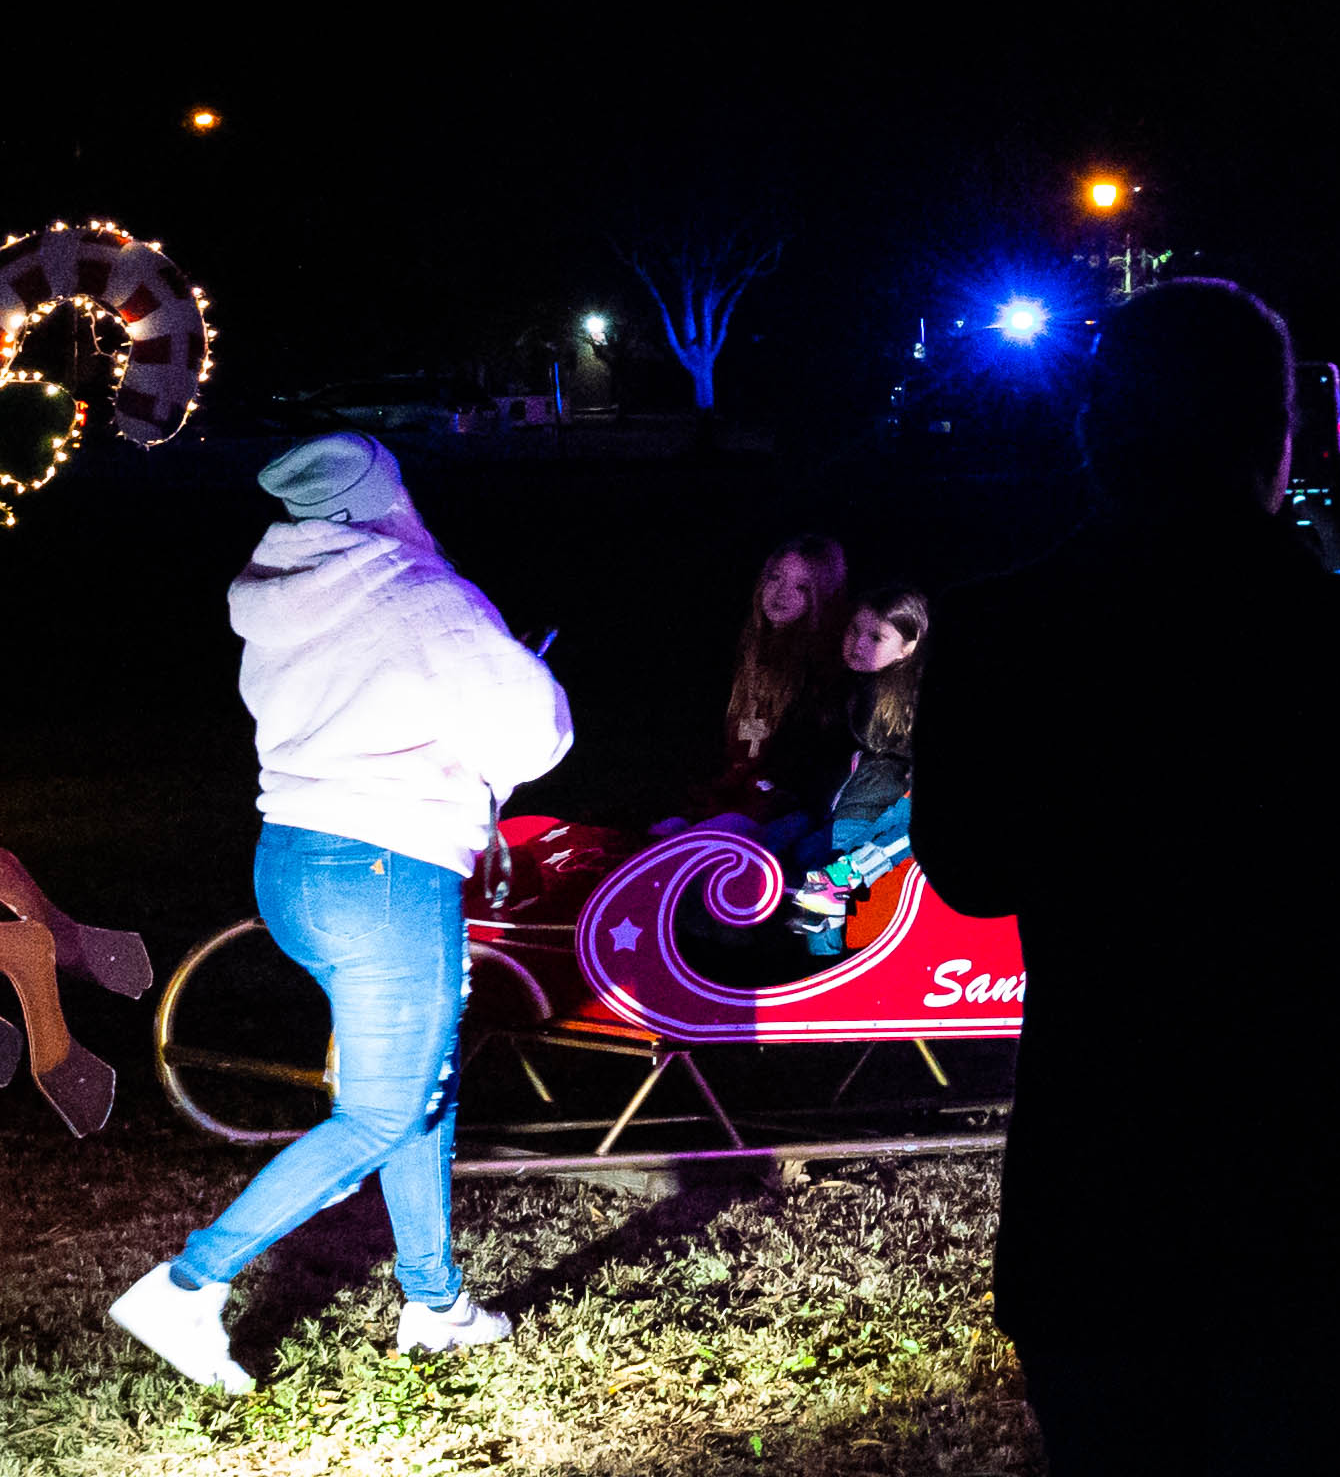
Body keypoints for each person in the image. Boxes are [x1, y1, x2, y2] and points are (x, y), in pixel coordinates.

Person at [913, 280, 1340, 1477]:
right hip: (1336, 1203)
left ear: (1096, 426)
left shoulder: (1007, 629)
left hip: (1106, 1196)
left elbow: (970, 864)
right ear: (1285, 439)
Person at [107, 434, 572, 1397]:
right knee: (380, 1108)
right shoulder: (425, 595)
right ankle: (188, 1285)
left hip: (292, 867)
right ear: (387, 502)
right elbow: (538, 734)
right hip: (388, 871)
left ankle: (436, 1302)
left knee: (416, 1086)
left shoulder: (279, 597)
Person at [786, 586, 930, 958]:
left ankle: (842, 889)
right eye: (853, 631)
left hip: (886, 814)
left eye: (875, 637)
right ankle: (818, 971)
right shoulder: (851, 690)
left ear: (908, 647)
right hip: (847, 813)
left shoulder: (914, 698)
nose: (857, 644)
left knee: (826, 888)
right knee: (814, 892)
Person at [688, 532, 852, 825]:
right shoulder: (741, 647)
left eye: (801, 587)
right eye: (776, 578)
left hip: (777, 814)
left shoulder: (821, 673)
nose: (781, 594)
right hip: (724, 794)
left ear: (821, 597)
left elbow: (806, 771)